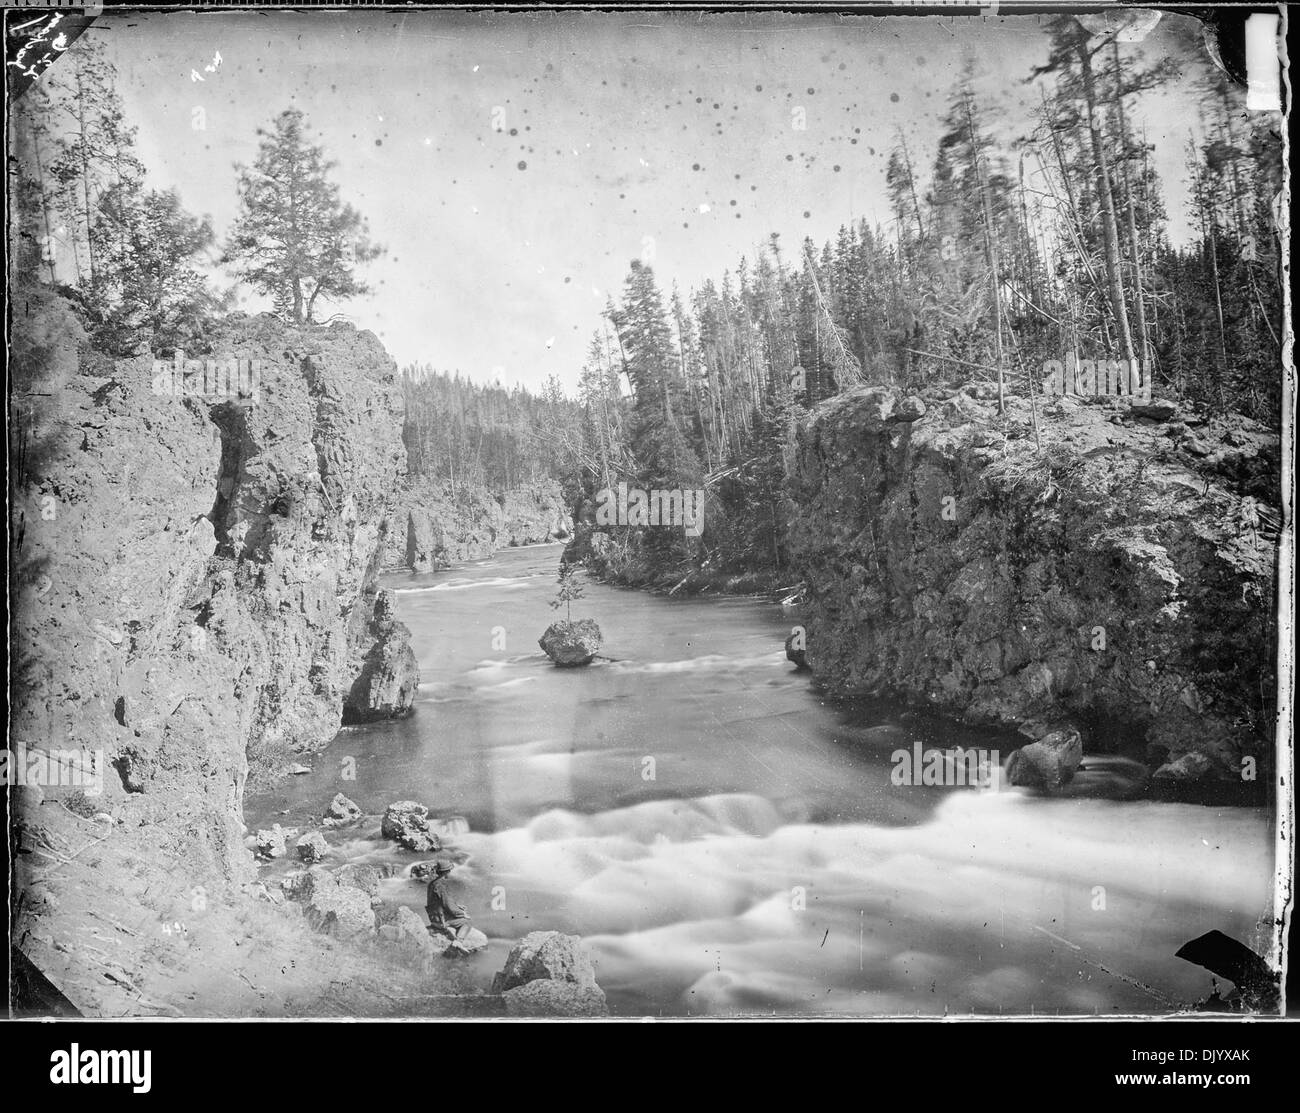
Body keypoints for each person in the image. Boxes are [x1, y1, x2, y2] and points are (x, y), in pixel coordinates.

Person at [425, 860, 473, 945]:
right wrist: (462, 914)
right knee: (467, 922)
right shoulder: (442, 885)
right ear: (446, 872)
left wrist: (457, 905)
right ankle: (458, 943)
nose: (450, 873)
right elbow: (450, 906)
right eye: (449, 871)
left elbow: (441, 902)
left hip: (433, 918)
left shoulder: (432, 883)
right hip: (441, 921)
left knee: (460, 915)